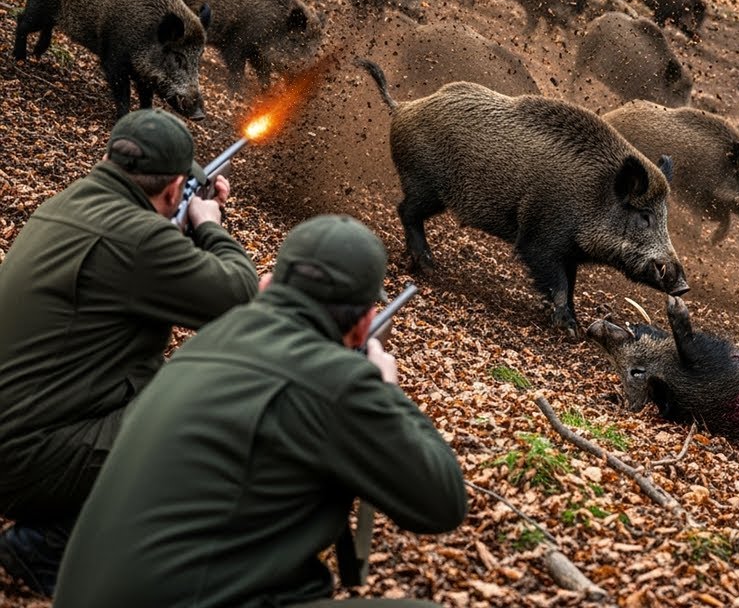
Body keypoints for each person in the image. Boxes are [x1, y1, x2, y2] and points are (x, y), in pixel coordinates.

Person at [54, 214, 468, 608]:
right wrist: (388, 391)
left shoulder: (212, 338)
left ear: (268, 287)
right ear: (364, 325)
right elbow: (442, 503)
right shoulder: (335, 381)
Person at [0, 108, 258, 595]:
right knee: (208, 403)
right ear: (170, 190)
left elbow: (135, 267)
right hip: (26, 460)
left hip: (24, 433)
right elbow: (239, 298)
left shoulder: (69, 203)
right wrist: (208, 223)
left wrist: (177, 222)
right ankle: (49, 544)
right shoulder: (140, 238)